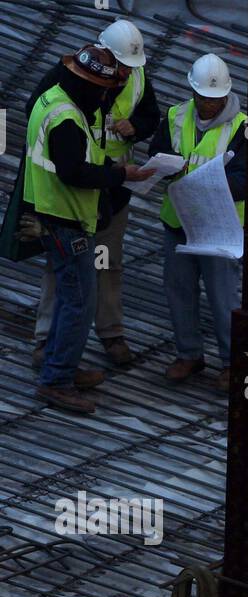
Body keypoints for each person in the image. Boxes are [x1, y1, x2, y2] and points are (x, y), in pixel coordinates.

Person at [23, 44, 156, 415]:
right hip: (66, 220)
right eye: (101, 89)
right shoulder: (67, 117)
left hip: (53, 215)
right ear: (87, 84)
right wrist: (119, 174)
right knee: (79, 303)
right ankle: (56, 380)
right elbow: (73, 172)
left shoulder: (52, 98)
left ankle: (60, 365)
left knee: (71, 299)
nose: (104, 96)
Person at [150, 53, 247, 391]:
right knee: (179, 291)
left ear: (225, 95)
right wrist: (167, 168)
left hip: (218, 227)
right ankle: (189, 354)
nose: (207, 104)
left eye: (213, 99)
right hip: (177, 222)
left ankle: (231, 363)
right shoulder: (176, 116)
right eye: (201, 97)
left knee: (224, 298)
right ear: (192, 92)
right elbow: (158, 152)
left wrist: (211, 186)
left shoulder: (243, 127)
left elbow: (246, 177)